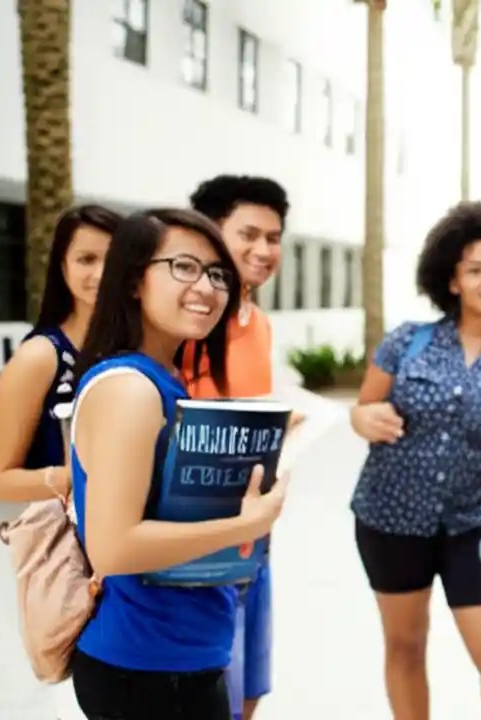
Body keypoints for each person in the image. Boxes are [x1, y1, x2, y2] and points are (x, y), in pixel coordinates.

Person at [68, 209, 289, 719]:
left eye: (217, 274)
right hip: (148, 672)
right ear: (132, 282)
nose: (207, 288)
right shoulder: (131, 389)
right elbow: (114, 547)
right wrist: (247, 523)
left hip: (176, 663)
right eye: (184, 267)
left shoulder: (160, 378)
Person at [348, 201, 481, 720]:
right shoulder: (407, 341)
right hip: (389, 519)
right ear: (453, 279)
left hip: (470, 525)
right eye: (477, 269)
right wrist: (364, 419)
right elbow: (364, 407)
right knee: (406, 646)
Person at [0, 204, 120, 720]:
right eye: (85, 258)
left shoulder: (129, 350)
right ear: (60, 266)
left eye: (112, 258)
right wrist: (70, 477)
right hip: (66, 553)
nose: (99, 273)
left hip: (123, 552)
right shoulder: (41, 356)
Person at [184, 174, 290, 720]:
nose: (264, 249)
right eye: (248, 234)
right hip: (197, 539)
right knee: (210, 692)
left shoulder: (260, 323)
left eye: (273, 237)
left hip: (255, 531)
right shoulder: (188, 321)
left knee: (248, 691)